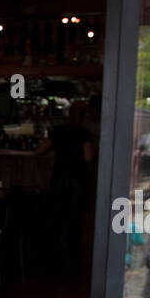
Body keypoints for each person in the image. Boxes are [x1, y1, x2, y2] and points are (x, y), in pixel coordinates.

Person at [36, 100, 95, 273]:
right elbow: (88, 158)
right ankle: (73, 262)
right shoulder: (84, 133)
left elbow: (39, 151)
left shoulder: (58, 131)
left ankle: (54, 261)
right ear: (84, 117)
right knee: (74, 224)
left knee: (56, 221)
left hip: (59, 180)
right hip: (77, 182)